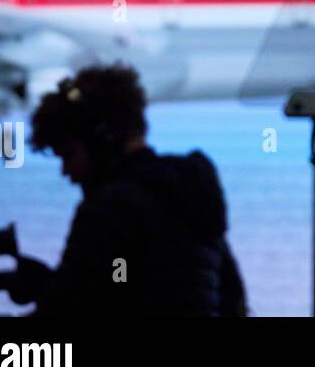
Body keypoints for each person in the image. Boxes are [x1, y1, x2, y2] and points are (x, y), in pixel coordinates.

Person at [26, 63, 247, 315]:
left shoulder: (111, 208)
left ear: (103, 138)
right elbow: (232, 301)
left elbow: (65, 310)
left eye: (68, 154)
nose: (67, 172)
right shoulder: (190, 195)